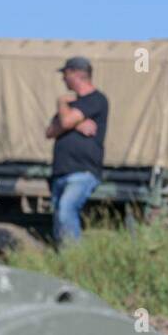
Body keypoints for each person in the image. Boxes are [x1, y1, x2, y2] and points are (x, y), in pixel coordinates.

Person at [45, 56, 109, 244]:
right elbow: (50, 131)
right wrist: (76, 123)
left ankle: (74, 258)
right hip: (61, 172)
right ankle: (62, 260)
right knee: (58, 220)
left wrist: (62, 105)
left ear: (76, 74)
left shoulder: (96, 100)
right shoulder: (72, 105)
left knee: (67, 209)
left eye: (65, 74)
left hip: (82, 172)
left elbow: (64, 122)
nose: (63, 79)